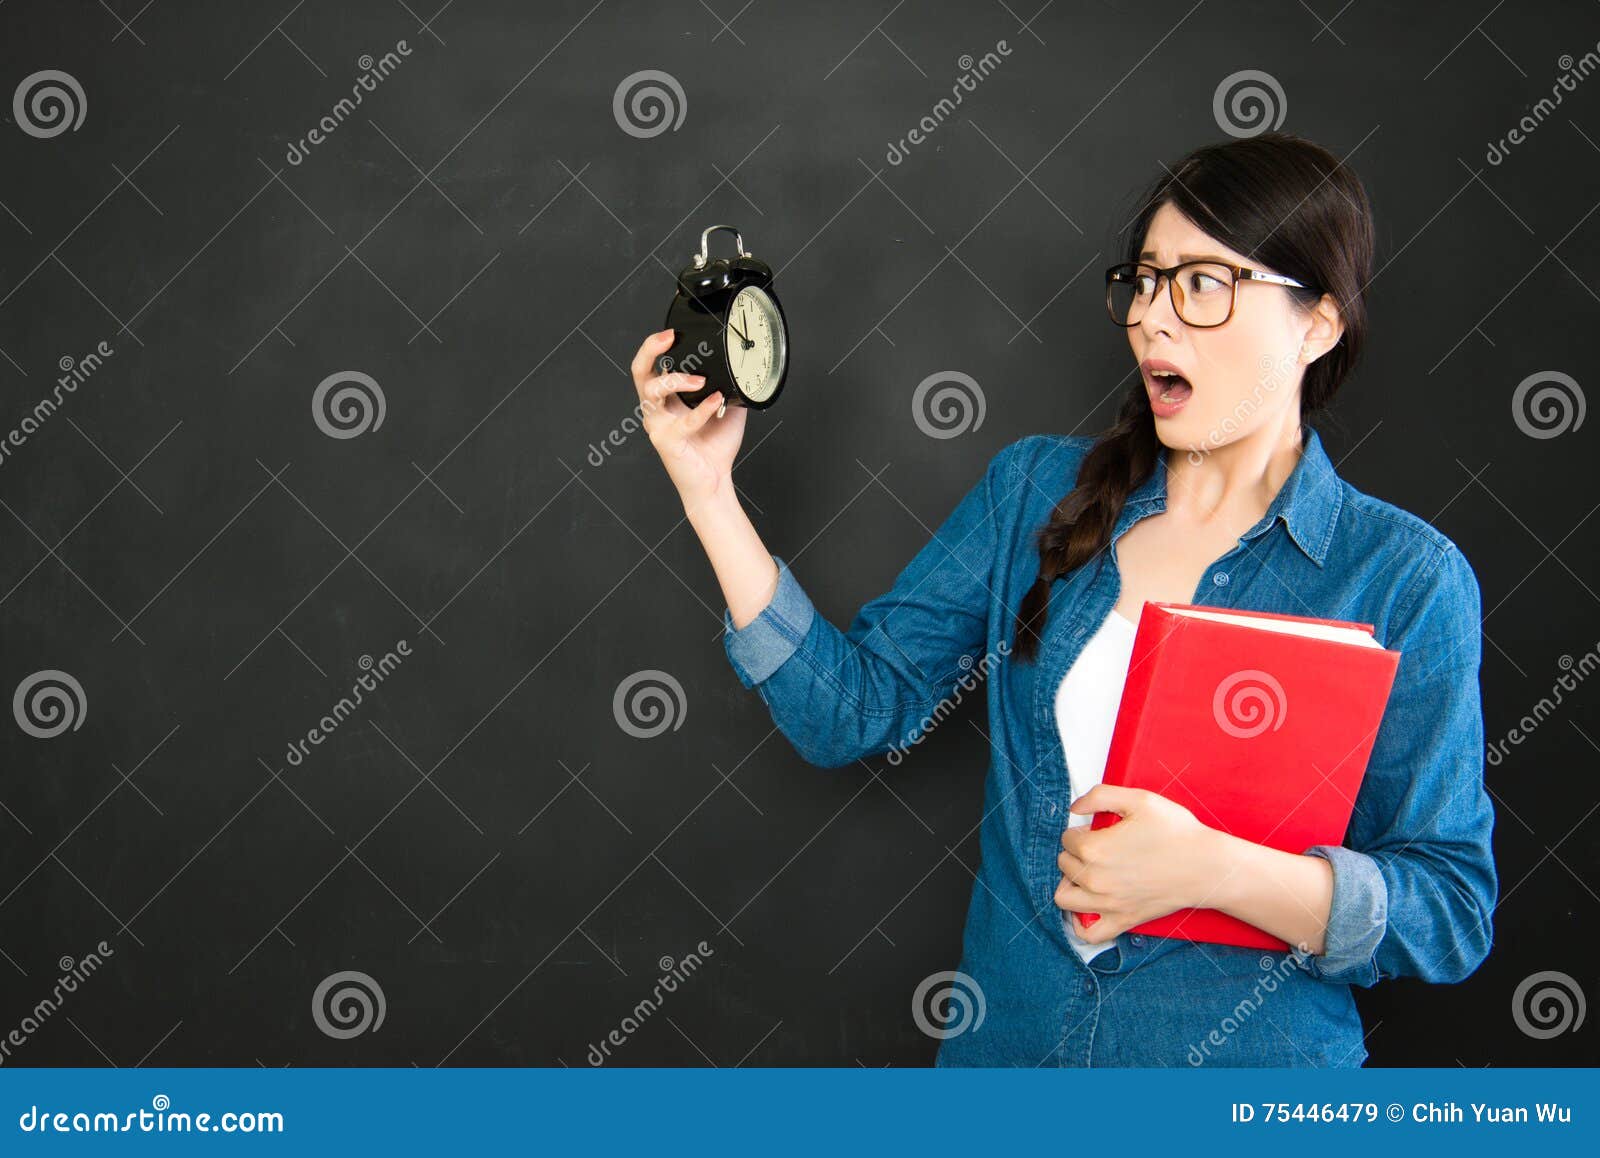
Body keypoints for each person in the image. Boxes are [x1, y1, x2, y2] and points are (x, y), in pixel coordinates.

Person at [628, 132, 1496, 1067]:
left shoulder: (1405, 577)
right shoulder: (1034, 496)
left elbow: (1447, 912)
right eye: (1147, 281)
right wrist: (708, 490)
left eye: (1204, 283)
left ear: (1317, 322)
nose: (1155, 320)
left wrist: (1218, 871)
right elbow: (852, 713)